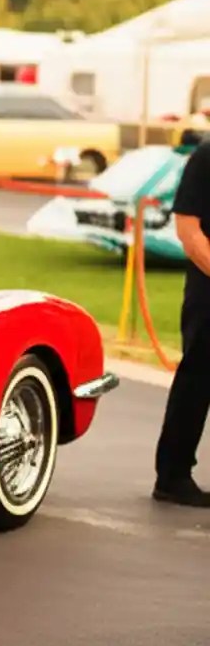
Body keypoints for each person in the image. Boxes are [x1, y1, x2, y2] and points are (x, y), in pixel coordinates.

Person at [153, 138, 210, 507]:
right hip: (209, 291)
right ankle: (172, 476)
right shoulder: (206, 157)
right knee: (198, 378)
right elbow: (189, 232)